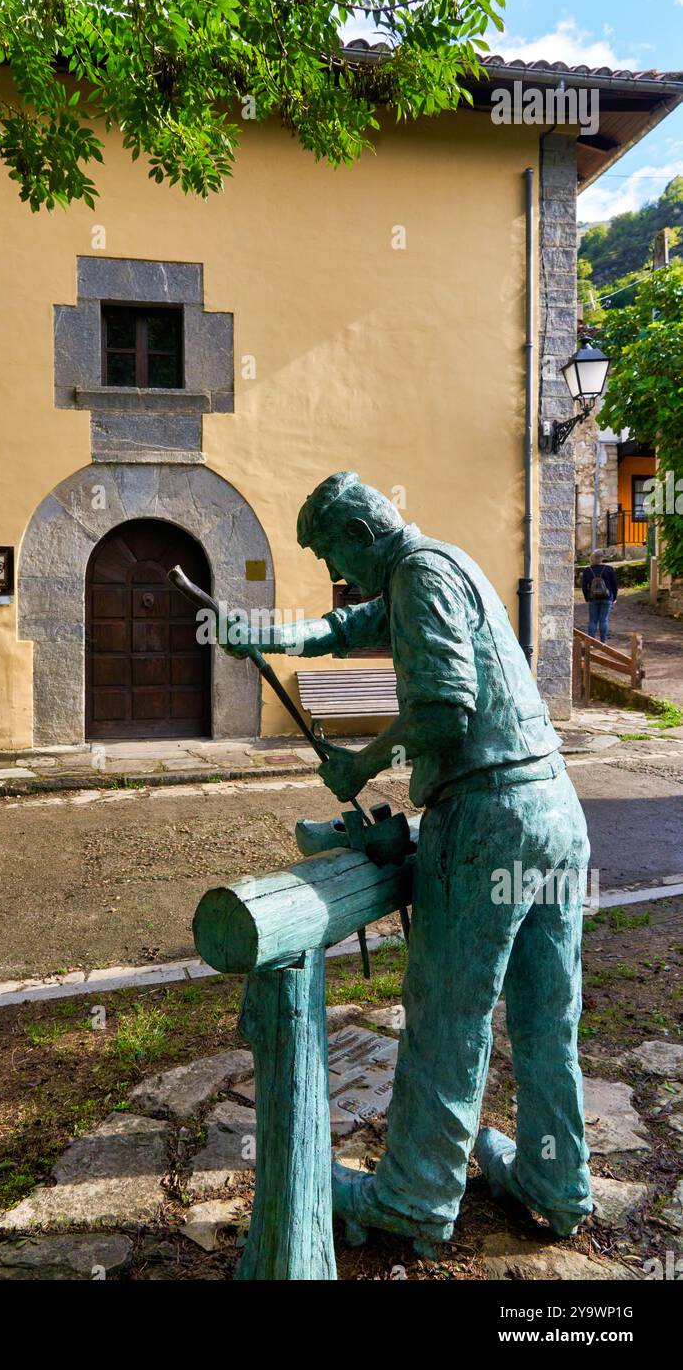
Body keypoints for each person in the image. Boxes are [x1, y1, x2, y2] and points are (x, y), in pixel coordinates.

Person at [221, 472, 592, 1258]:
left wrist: (361, 767)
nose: (340, 573)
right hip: (554, 807)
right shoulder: (440, 562)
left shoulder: (418, 574)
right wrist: (257, 631)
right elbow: (339, 627)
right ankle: (556, 1183)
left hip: (491, 816)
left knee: (447, 1016)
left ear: (360, 530)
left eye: (333, 553)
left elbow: (443, 708)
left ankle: (414, 1198)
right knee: (545, 1012)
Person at [580, 550, 618, 643]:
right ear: (602, 558)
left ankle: (591, 643)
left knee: (592, 620)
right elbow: (614, 585)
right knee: (604, 620)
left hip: (593, 598)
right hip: (607, 597)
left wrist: (586, 597)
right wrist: (614, 598)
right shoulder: (609, 569)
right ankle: (602, 642)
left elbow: (584, 586)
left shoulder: (588, 570)